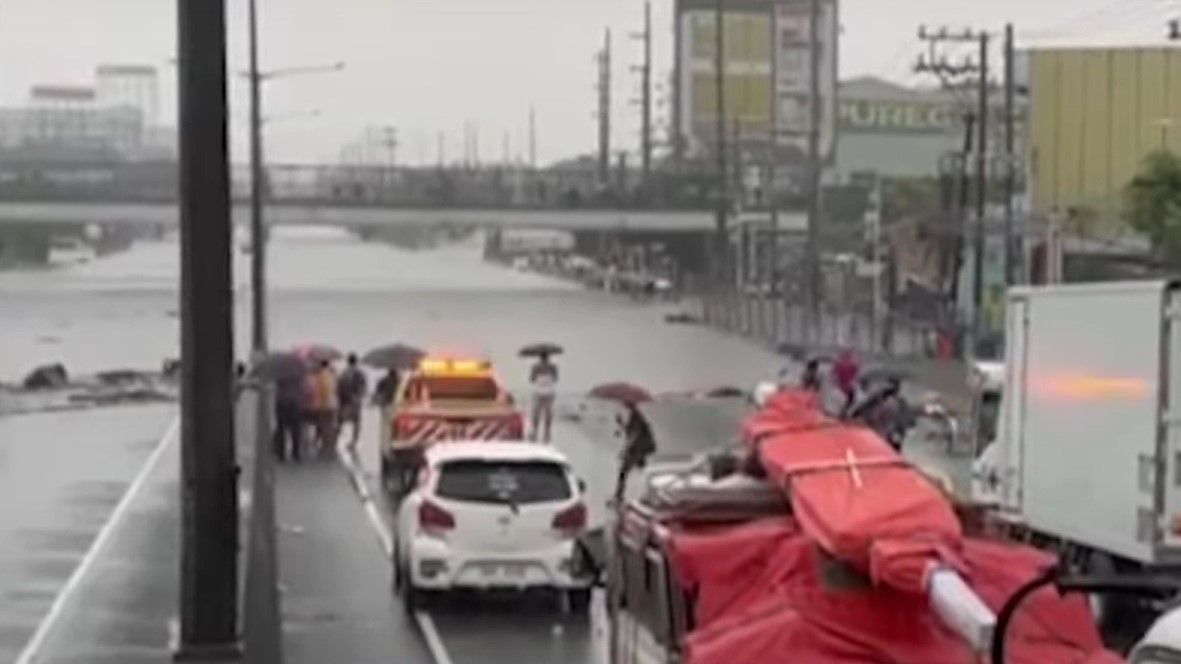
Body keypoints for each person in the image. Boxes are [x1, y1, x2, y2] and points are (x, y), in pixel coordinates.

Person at [612, 401, 657, 504]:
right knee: (641, 470)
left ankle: (619, 496)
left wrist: (624, 450)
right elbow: (629, 431)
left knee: (624, 471)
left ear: (629, 406)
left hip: (640, 449)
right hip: (639, 448)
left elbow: (633, 436)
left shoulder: (637, 417)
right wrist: (620, 423)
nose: (624, 408)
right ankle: (647, 494)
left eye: (625, 406)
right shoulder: (634, 416)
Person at [308, 360, 339, 457]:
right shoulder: (333, 374)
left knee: (324, 426)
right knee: (330, 425)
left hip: (323, 405)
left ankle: (326, 447)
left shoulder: (320, 376)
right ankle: (330, 446)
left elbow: (317, 391)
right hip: (333, 404)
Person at [337, 353, 368, 450]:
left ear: (348, 361)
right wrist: (360, 396)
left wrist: (340, 399)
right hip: (356, 400)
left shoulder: (343, 373)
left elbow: (339, 387)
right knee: (356, 422)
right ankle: (354, 442)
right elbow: (364, 387)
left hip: (346, 401)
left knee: (340, 421)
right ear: (356, 361)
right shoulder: (360, 373)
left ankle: (335, 440)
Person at [273, 374, 304, 462]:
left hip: (282, 402)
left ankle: (281, 453)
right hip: (294, 403)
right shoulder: (297, 376)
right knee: (296, 430)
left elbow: (278, 389)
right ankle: (296, 453)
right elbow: (300, 390)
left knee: (281, 429)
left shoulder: (280, 376)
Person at [529, 353, 559, 442]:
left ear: (540, 357)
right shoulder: (553, 367)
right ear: (548, 357)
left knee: (536, 413)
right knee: (548, 413)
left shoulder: (535, 367)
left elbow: (532, 379)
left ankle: (534, 432)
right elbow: (556, 378)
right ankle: (547, 433)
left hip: (538, 391)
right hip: (550, 391)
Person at [833, 349, 860, 416]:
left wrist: (836, 382)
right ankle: (845, 413)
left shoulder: (839, 362)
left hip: (840, 386)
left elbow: (834, 373)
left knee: (841, 401)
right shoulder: (853, 363)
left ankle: (841, 412)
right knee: (850, 401)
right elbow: (857, 372)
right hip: (849, 386)